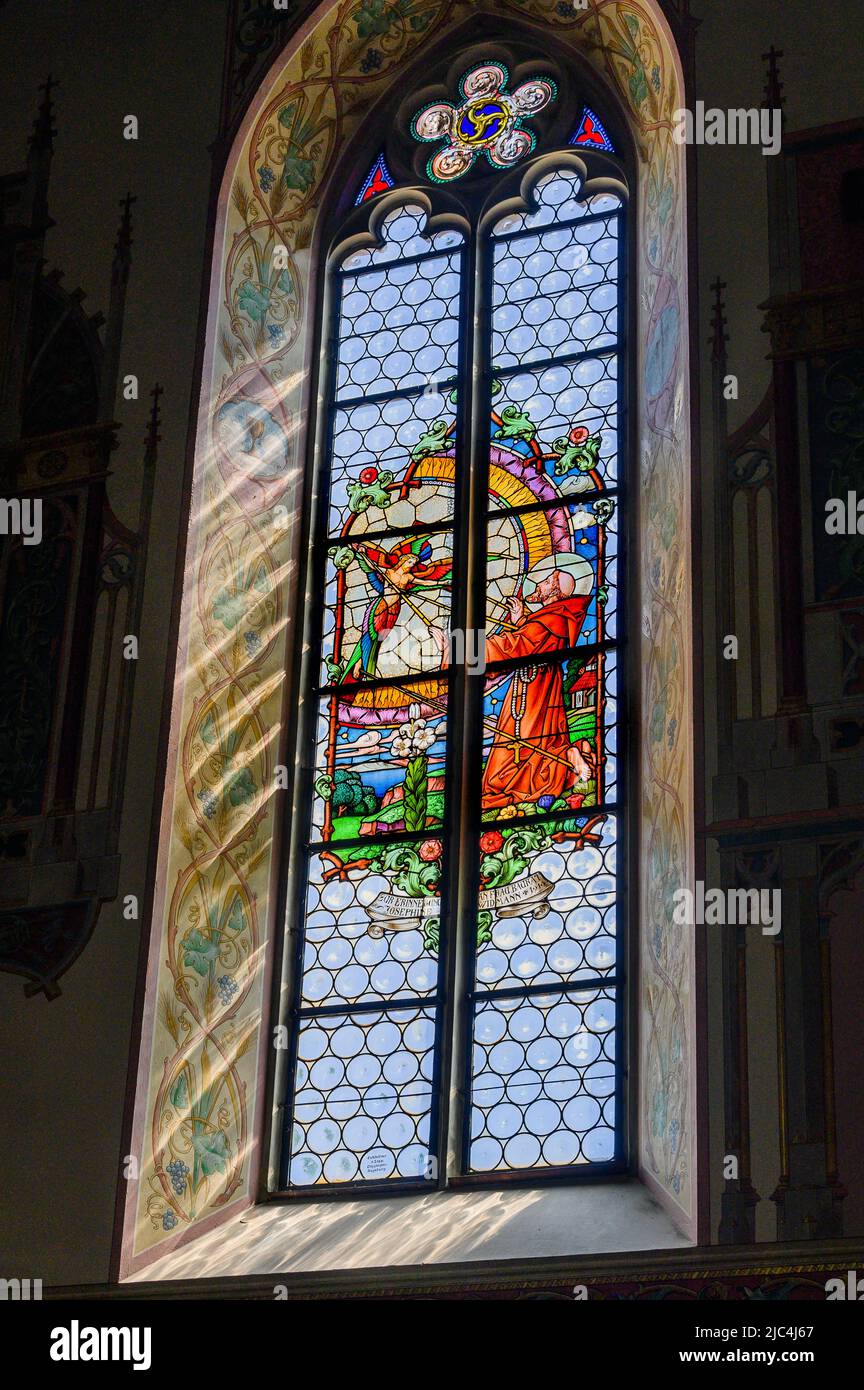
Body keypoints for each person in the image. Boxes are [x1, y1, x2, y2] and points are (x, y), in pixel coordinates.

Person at [482, 565, 591, 809]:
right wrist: (521, 618)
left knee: (525, 744)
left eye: (542, 582)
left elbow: (516, 646)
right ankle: (566, 756)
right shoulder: (554, 617)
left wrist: (458, 647)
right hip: (532, 683)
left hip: (535, 690)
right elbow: (533, 639)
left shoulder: (552, 619)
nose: (537, 586)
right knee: (527, 744)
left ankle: (566, 758)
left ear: (553, 590)